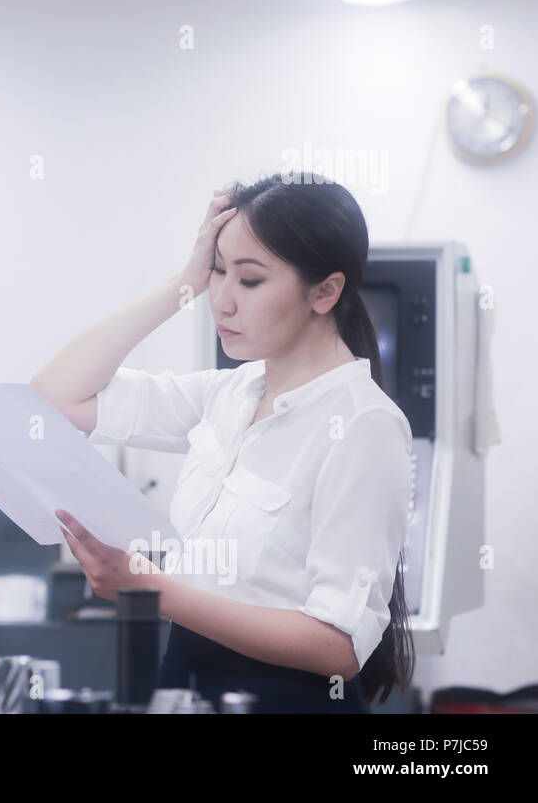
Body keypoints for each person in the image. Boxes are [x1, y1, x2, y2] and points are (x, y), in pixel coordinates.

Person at [31, 172, 416, 713]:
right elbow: (55, 397)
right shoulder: (228, 394)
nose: (221, 301)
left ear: (325, 292)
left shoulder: (364, 425)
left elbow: (339, 647)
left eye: (250, 281)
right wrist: (183, 282)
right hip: (187, 684)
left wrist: (150, 589)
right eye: (218, 272)